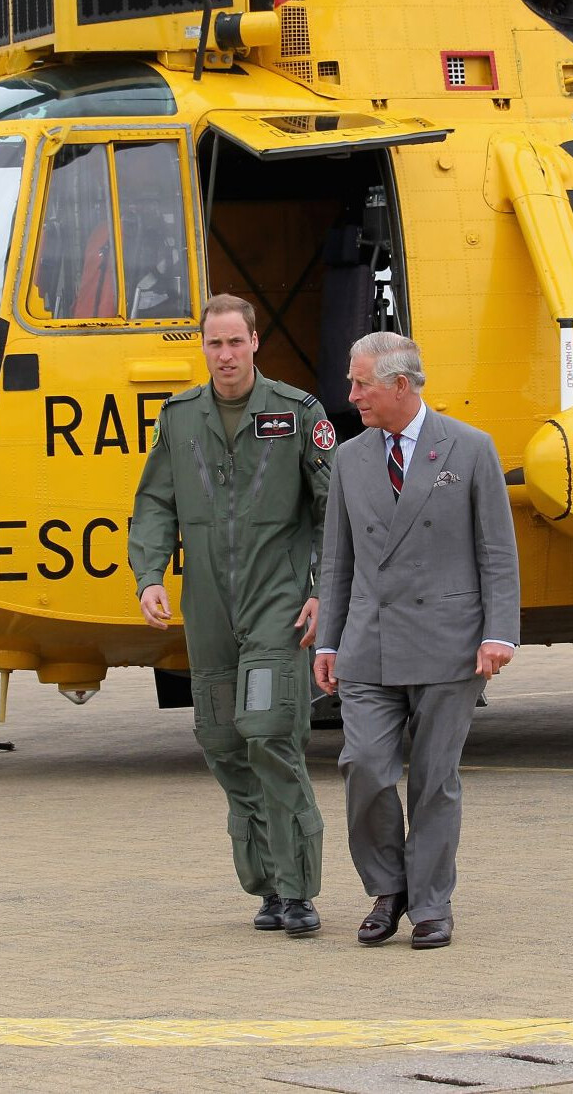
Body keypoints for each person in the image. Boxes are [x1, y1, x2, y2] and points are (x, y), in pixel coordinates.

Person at [128, 293, 336, 937]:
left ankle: (299, 889)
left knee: (268, 730)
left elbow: (334, 509)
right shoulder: (180, 418)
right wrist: (148, 574)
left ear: (255, 342)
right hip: (208, 605)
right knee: (221, 740)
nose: (225, 355)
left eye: (235, 342)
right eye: (214, 344)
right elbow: (155, 501)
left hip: (276, 599)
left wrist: (324, 587)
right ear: (205, 348)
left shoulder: (298, 414)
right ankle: (268, 884)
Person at [313, 332, 519, 950]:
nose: (351, 396)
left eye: (361, 384)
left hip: (449, 642)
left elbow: (496, 551)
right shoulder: (350, 459)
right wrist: (328, 643)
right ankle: (389, 886)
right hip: (369, 643)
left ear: (402, 384)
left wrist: (499, 632)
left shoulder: (472, 448)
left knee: (434, 778)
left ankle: (431, 903)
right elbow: (337, 560)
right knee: (364, 769)